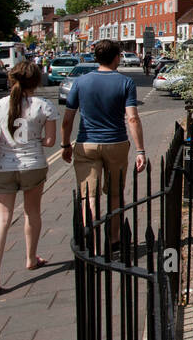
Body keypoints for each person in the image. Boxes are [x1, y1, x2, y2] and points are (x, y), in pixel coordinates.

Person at [61, 39, 145, 248]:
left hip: (87, 143)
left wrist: (65, 145)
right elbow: (132, 118)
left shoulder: (80, 82)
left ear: (96, 58)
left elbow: (68, 119)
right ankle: (114, 238)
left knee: (89, 196)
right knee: (115, 193)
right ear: (117, 57)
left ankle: (92, 241)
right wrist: (140, 150)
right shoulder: (126, 83)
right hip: (116, 143)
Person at [0, 61, 57, 294]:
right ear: (36, 82)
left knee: (1, 220)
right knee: (32, 212)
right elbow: (50, 141)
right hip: (33, 165)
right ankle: (30, 258)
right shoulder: (44, 106)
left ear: (11, 80)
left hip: (2, 167)